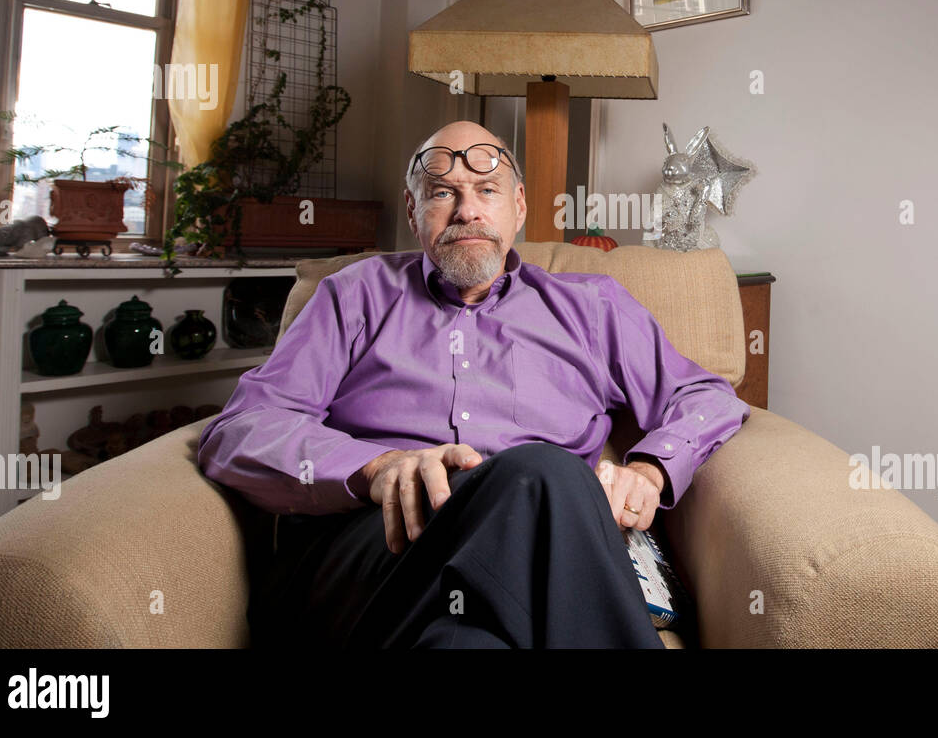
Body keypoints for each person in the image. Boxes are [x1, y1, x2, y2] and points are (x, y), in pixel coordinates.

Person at [197, 119, 749, 648]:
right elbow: (240, 432)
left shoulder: (593, 307)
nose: (467, 211)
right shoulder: (353, 296)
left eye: (487, 190)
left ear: (520, 207)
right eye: (442, 193)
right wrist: (373, 469)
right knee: (544, 471)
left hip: (528, 557)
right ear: (414, 210)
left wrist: (650, 471)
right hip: (381, 551)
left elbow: (704, 395)